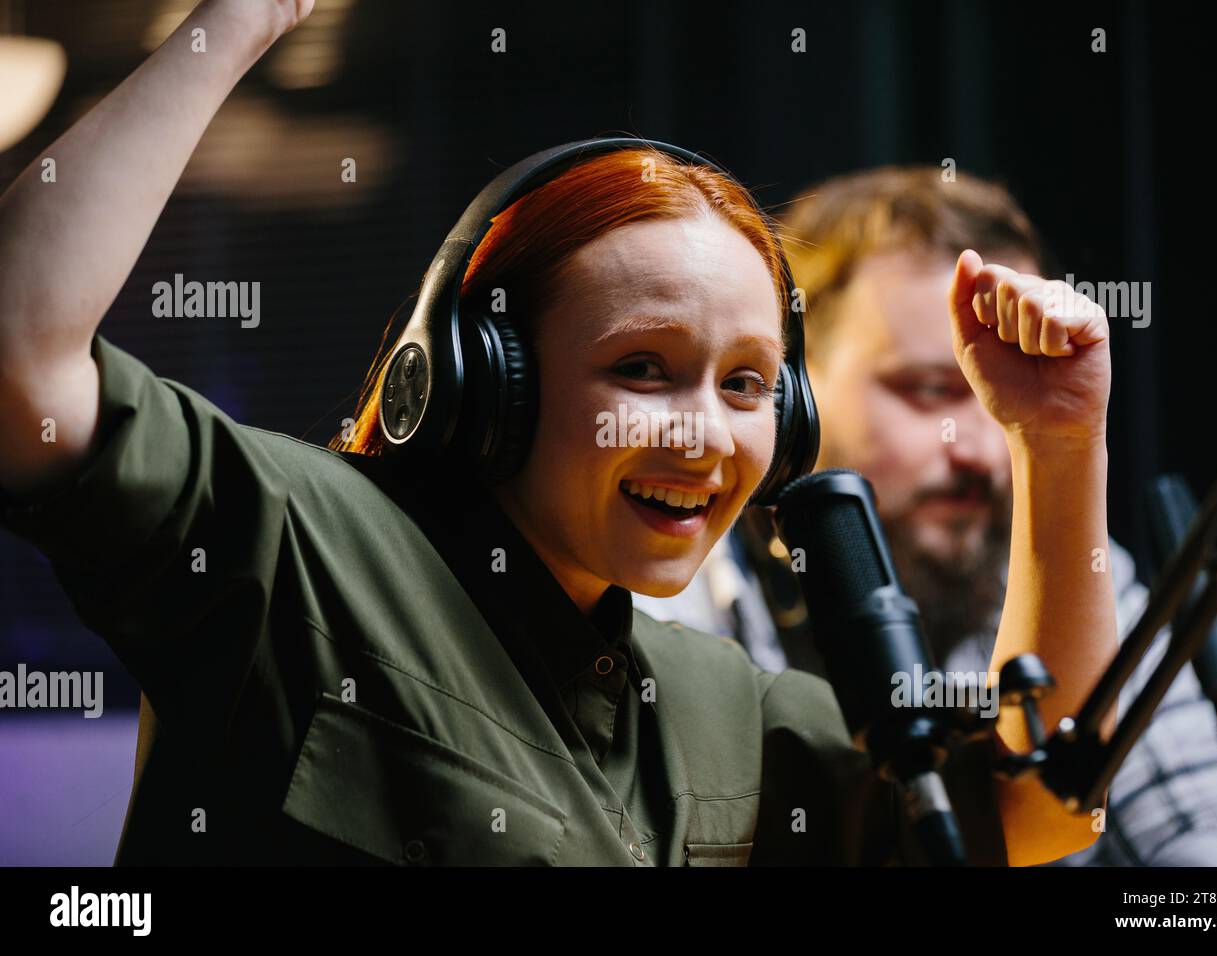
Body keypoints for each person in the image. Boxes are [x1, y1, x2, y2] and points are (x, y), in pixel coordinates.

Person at [0, 0, 1116, 866]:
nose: (705, 438)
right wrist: (244, 15)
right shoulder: (298, 540)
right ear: (487, 381)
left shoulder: (725, 706)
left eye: (745, 385)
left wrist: (1058, 446)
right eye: (642, 368)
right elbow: (19, 361)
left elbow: (1036, 808)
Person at [636, 166, 1217, 865]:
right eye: (929, 391)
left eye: (1003, 397)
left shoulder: (1066, 573)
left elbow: (1214, 832)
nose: (984, 447)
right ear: (792, 390)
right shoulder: (666, 595)